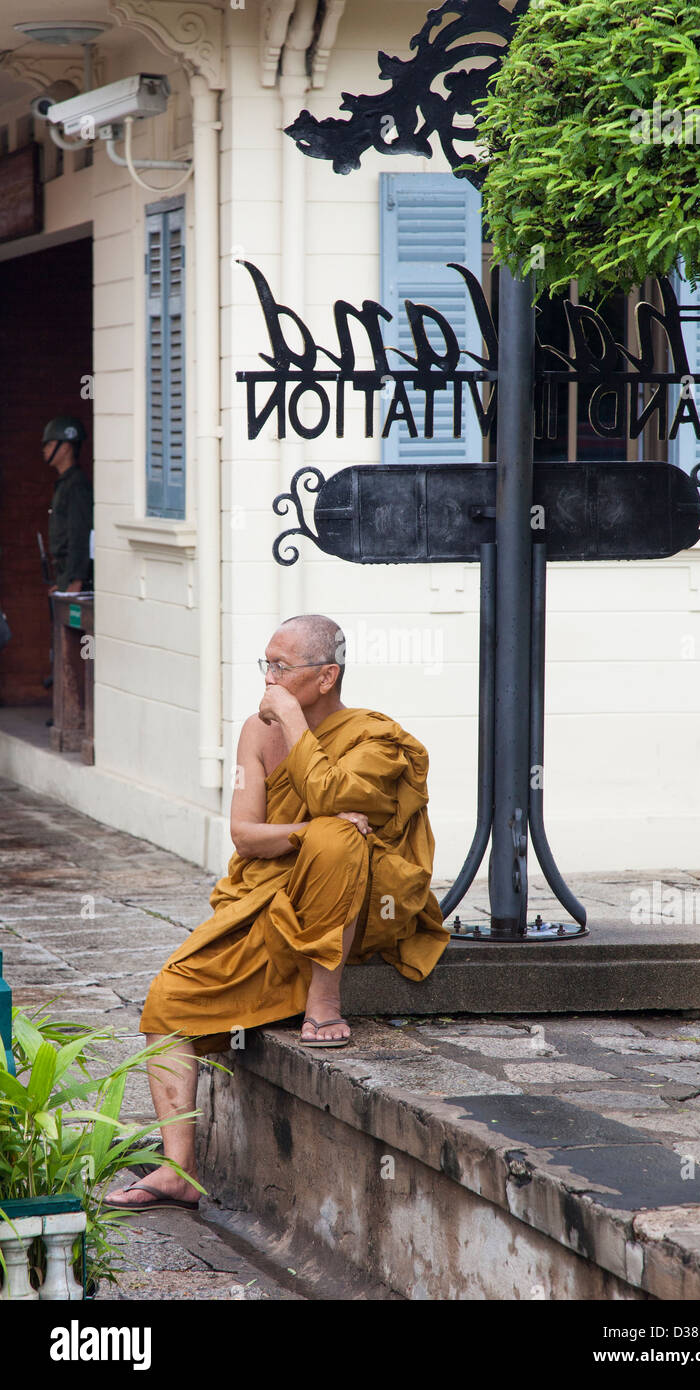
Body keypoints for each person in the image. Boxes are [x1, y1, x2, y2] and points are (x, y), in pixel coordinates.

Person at [104, 613, 449, 1212]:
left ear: (327, 676)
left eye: (281, 667)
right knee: (167, 1000)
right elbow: (245, 834)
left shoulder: (377, 740)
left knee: (338, 841)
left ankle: (324, 999)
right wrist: (303, 831)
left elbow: (334, 799)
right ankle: (175, 1169)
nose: (268, 679)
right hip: (268, 894)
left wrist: (292, 725)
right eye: (266, 664)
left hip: (356, 905)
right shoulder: (254, 734)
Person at [42, 416, 92, 594]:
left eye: (49, 444)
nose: (44, 449)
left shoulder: (75, 484)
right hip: (65, 574)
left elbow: (79, 533)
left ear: (64, 448)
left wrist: (75, 580)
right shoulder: (65, 483)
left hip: (74, 577)